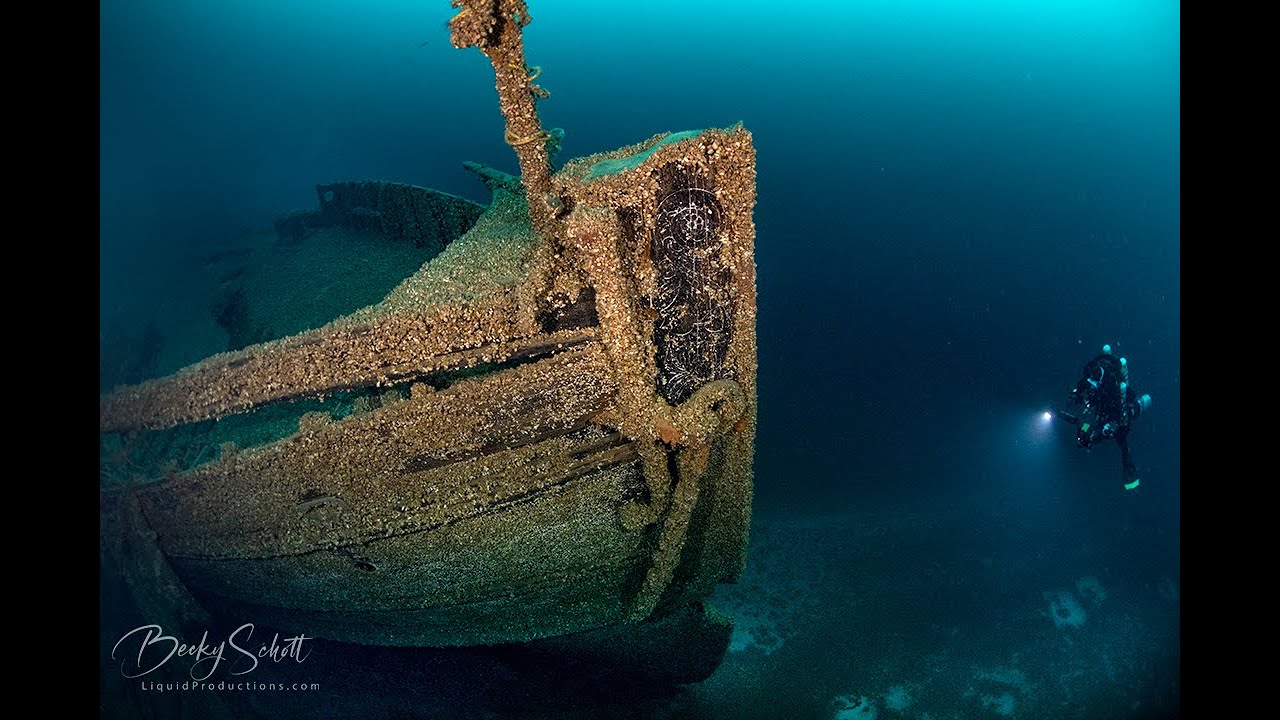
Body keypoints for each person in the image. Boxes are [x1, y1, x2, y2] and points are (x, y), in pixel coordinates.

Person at [1059, 344, 1152, 490]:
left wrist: (1108, 427)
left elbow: (1116, 416)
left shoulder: (1111, 387)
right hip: (1102, 412)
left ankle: (1130, 476)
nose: (1090, 384)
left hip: (1117, 413)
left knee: (1120, 439)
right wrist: (1075, 396)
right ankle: (1088, 438)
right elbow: (1082, 389)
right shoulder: (1089, 379)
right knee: (1089, 429)